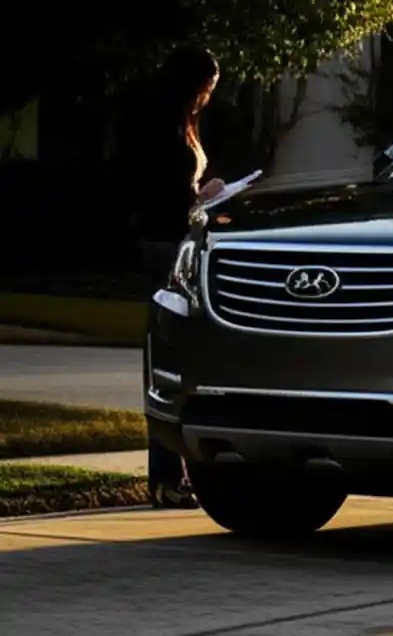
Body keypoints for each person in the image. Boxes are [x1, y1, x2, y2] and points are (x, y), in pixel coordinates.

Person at [126, 45, 225, 509]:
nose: (207, 98)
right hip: (166, 245)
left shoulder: (182, 125)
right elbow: (164, 193)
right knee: (169, 357)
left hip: (177, 241)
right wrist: (204, 195)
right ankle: (165, 477)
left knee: (180, 357)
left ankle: (172, 475)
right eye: (205, 89)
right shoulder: (161, 129)